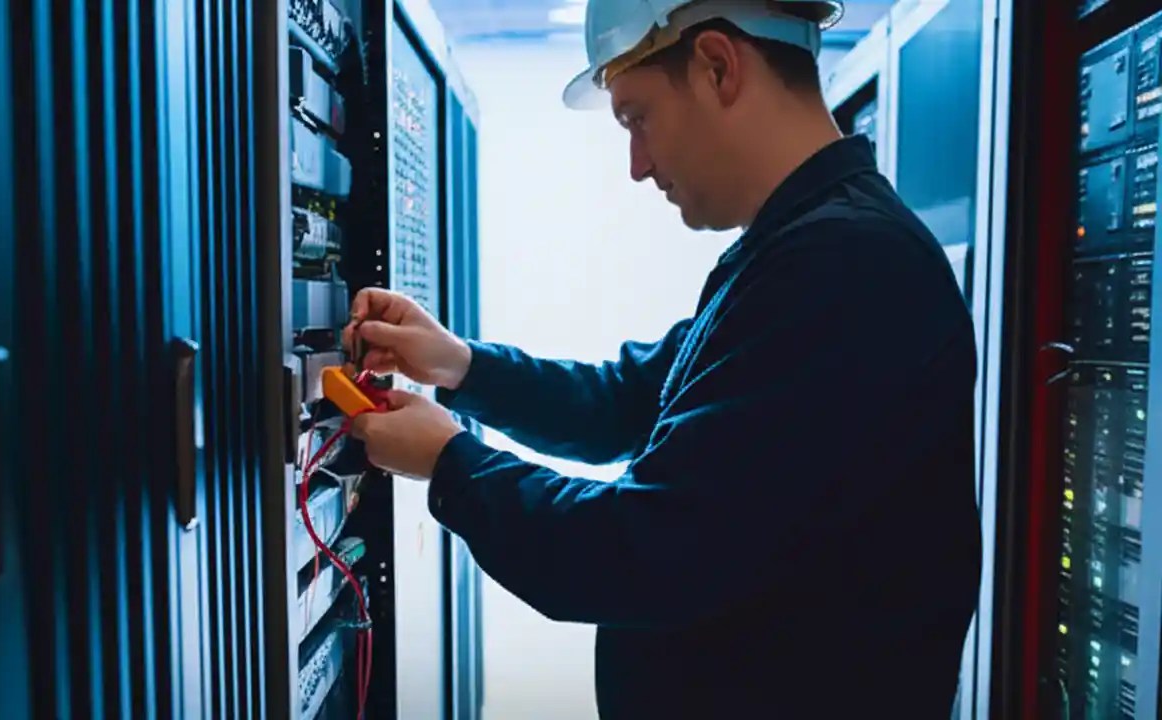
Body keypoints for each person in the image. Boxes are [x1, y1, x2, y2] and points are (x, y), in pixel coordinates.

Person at [344, 0, 983, 716]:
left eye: (636, 118)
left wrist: (450, 462)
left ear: (718, 65)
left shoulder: (844, 264)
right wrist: (460, 366)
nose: (637, 165)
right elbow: (626, 400)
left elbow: (642, 552)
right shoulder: (797, 250)